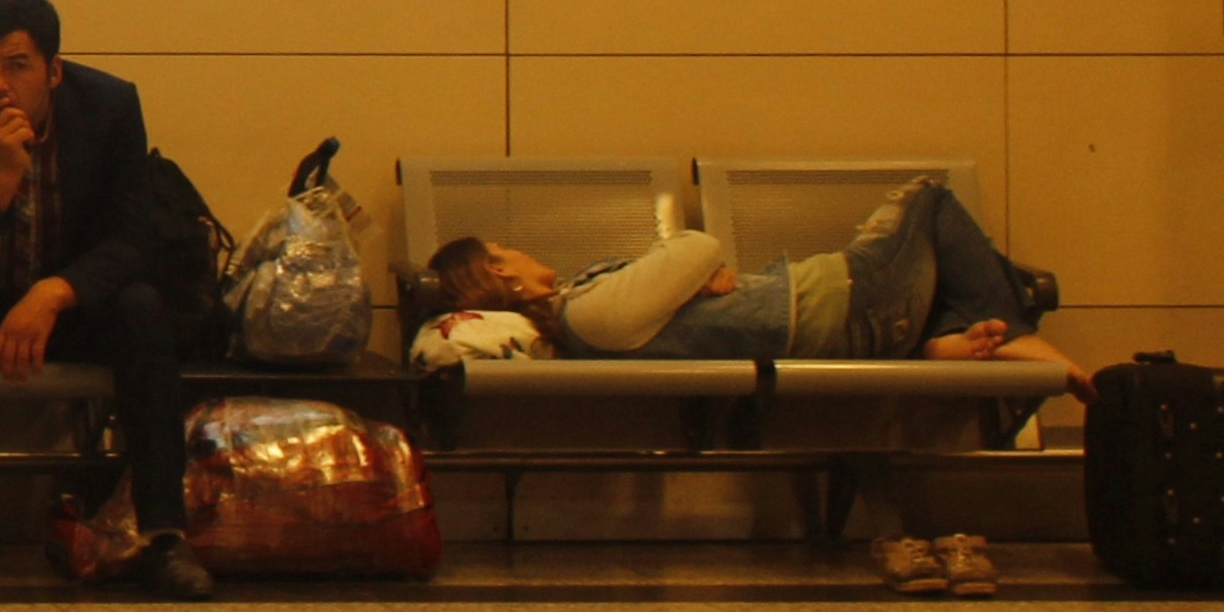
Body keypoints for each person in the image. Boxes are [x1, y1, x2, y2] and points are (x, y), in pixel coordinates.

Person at [0, 0, 212, 604]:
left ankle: (165, 535)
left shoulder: (109, 108)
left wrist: (58, 292)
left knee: (142, 310)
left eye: (16, 65)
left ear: (53, 71)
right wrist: (1, 177)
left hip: (72, 301)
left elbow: (133, 240)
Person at [421, 175, 1077, 387]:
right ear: (501, 273)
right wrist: (693, 272)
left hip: (853, 313)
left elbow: (694, 268)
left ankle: (945, 334)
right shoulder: (588, 317)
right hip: (848, 301)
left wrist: (690, 279)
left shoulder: (587, 310)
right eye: (508, 249)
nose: (523, 251)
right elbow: (700, 246)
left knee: (935, 241)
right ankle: (1006, 324)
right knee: (927, 199)